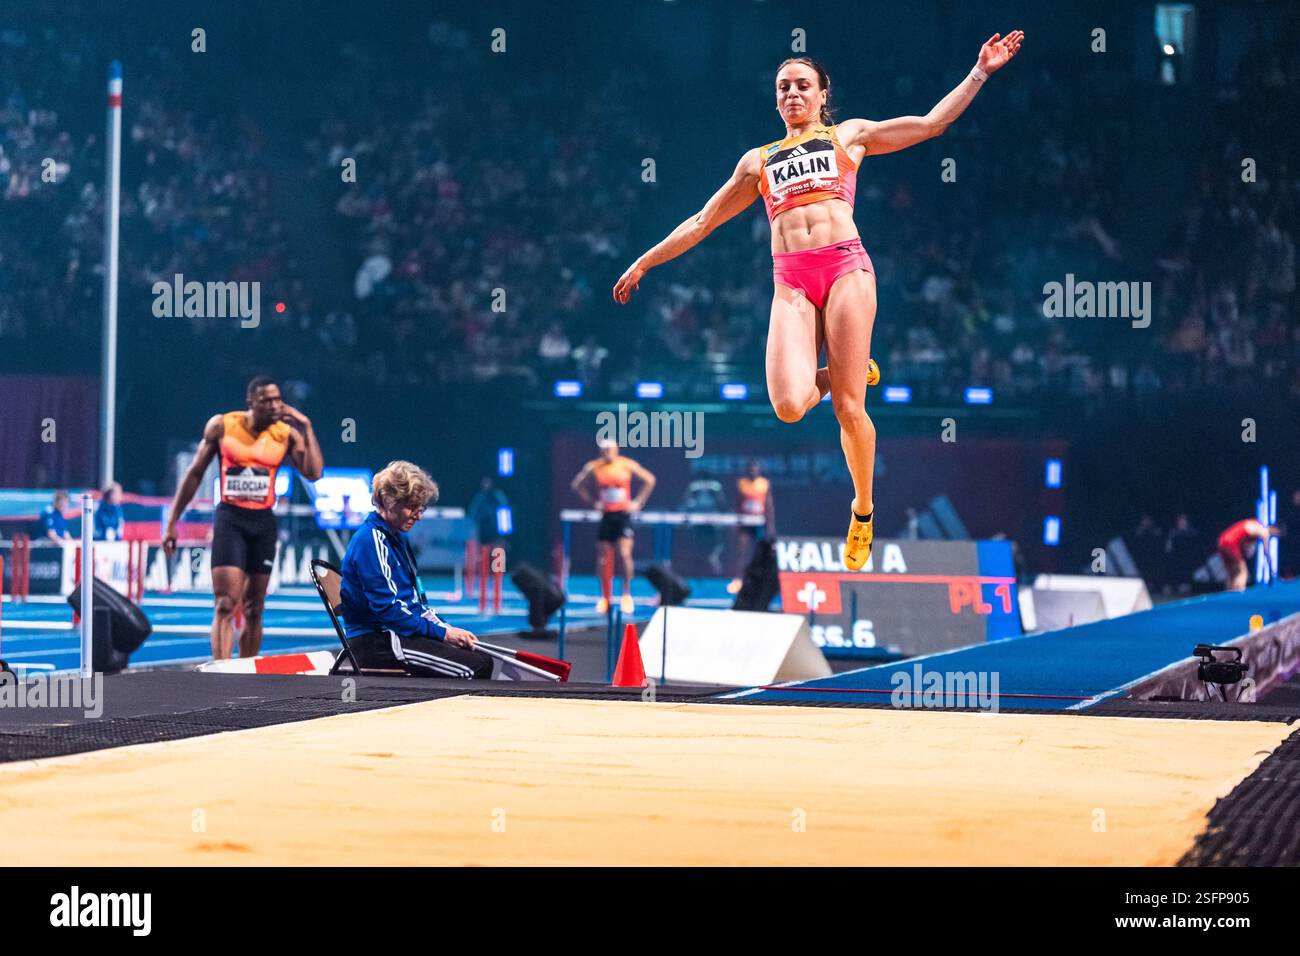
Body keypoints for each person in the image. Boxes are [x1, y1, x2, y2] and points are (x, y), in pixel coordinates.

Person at [614, 34, 1024, 569]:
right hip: (791, 280)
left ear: (822, 94)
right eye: (783, 88)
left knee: (849, 409)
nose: (792, 94)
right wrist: (644, 261)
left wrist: (980, 72)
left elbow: (930, 124)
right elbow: (701, 221)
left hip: (845, 267)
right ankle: (840, 372)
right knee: (787, 406)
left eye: (802, 85)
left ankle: (862, 510)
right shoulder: (757, 162)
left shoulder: (847, 136)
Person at [162, 376, 324, 660]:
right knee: (225, 603)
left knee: (255, 607)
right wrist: (172, 522)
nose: (274, 405)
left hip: (263, 522)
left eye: (277, 399)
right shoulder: (223, 425)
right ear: (251, 402)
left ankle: (248, 672)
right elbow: (195, 474)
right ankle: (223, 673)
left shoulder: (286, 434)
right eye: (266, 400)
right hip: (230, 519)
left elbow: (313, 473)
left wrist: (307, 426)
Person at [337, 460, 492, 679]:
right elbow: (389, 610)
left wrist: (445, 628)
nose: (418, 516)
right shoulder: (371, 540)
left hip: (397, 634)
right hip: (378, 641)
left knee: (483, 658)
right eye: (412, 507)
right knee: (473, 668)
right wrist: (443, 634)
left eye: (421, 507)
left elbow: (414, 603)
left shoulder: (398, 538)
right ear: (388, 501)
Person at [569, 441, 656, 614]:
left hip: (623, 515)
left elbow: (649, 480)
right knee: (603, 557)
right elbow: (577, 485)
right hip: (606, 516)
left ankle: (626, 594)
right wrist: (593, 502)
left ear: (616, 450)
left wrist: (638, 502)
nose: (607, 452)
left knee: (624, 554)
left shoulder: (626, 464)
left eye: (610, 449)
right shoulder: (594, 466)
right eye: (604, 450)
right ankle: (605, 597)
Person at [728, 459, 776, 594]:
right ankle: (738, 580)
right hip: (744, 523)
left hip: (759, 523)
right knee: (742, 552)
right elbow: (736, 504)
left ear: (759, 470)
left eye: (755, 469)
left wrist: (770, 526)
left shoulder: (764, 484)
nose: (753, 471)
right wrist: (735, 522)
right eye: (750, 469)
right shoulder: (742, 483)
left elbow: (769, 506)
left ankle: (758, 582)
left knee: (759, 552)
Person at [1216, 518, 1279, 592]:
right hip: (1231, 543)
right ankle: (1239, 595)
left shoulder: (1254, 523)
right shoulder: (1264, 531)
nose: (1275, 535)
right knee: (1243, 572)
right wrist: (1271, 567)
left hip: (1222, 540)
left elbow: (1243, 539)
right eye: (1277, 533)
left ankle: (1227, 594)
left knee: (1231, 573)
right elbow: (1266, 552)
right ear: (1274, 529)